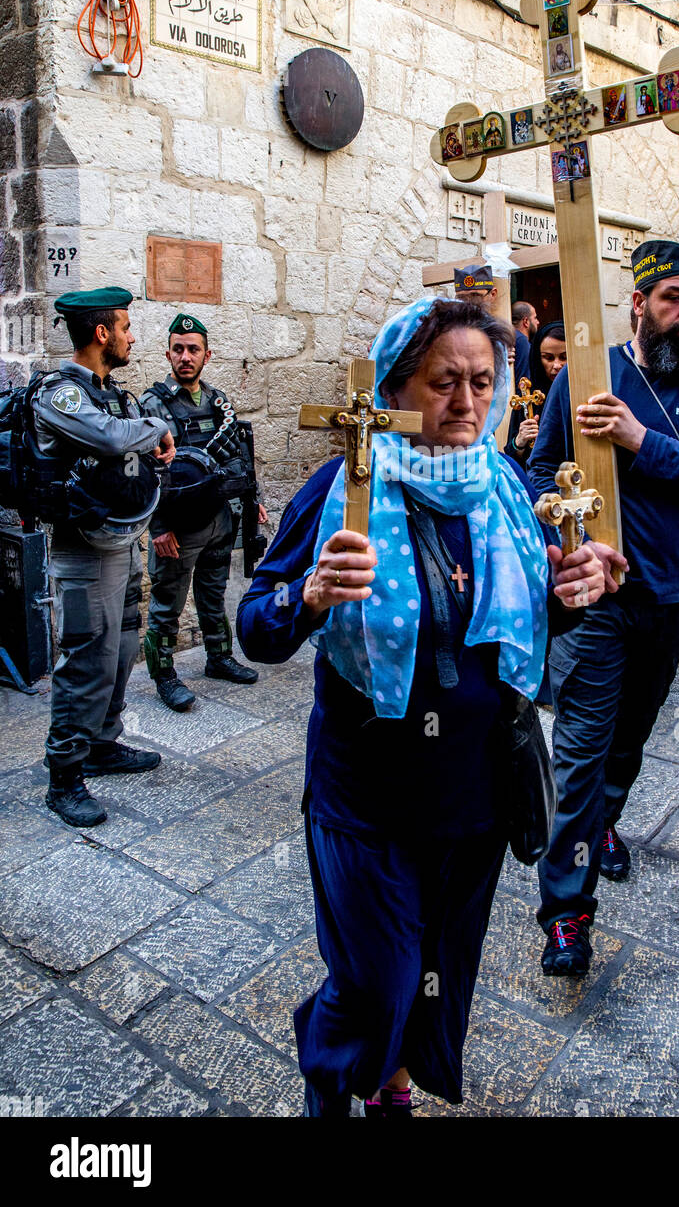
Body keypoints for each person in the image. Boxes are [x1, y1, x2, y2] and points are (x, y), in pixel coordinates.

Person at [236, 296, 605, 1116]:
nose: (467, 403)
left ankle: (393, 1083)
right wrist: (307, 595)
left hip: (473, 798)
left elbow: (525, 619)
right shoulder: (344, 490)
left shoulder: (505, 488)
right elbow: (255, 630)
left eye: (483, 382)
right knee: (376, 979)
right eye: (444, 383)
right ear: (398, 388)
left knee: (440, 968)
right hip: (368, 794)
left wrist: (573, 589)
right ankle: (335, 1080)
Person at [528, 240, 679, 976]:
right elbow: (536, 475)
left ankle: (604, 825)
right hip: (598, 601)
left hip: (672, 600)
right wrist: (556, 535)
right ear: (639, 305)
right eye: (672, 299)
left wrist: (639, 439)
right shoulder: (589, 378)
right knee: (583, 753)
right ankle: (565, 913)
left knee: (629, 745)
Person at [34, 288, 176, 828]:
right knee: (87, 660)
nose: (131, 336)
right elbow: (114, 438)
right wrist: (158, 430)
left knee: (119, 650)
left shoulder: (112, 391)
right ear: (101, 334)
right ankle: (64, 774)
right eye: (125, 326)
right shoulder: (60, 393)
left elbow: (131, 432)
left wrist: (152, 435)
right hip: (85, 549)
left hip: (122, 539)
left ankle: (101, 743)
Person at [139, 314, 267, 710]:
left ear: (206, 355)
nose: (185, 356)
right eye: (178, 349)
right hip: (176, 525)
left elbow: (240, 455)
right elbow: (145, 471)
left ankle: (219, 657)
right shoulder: (154, 403)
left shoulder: (218, 401)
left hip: (217, 519)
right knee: (167, 603)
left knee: (213, 594)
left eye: (193, 349)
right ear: (168, 354)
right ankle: (164, 675)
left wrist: (253, 496)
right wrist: (157, 527)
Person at [506, 321, 566, 464]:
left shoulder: (583, 394)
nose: (557, 365)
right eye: (548, 358)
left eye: (564, 357)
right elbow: (512, 454)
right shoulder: (528, 398)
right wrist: (520, 440)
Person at [511, 300, 538, 388]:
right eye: (535, 318)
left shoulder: (513, 336)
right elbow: (522, 379)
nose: (538, 322)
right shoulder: (521, 340)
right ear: (526, 321)